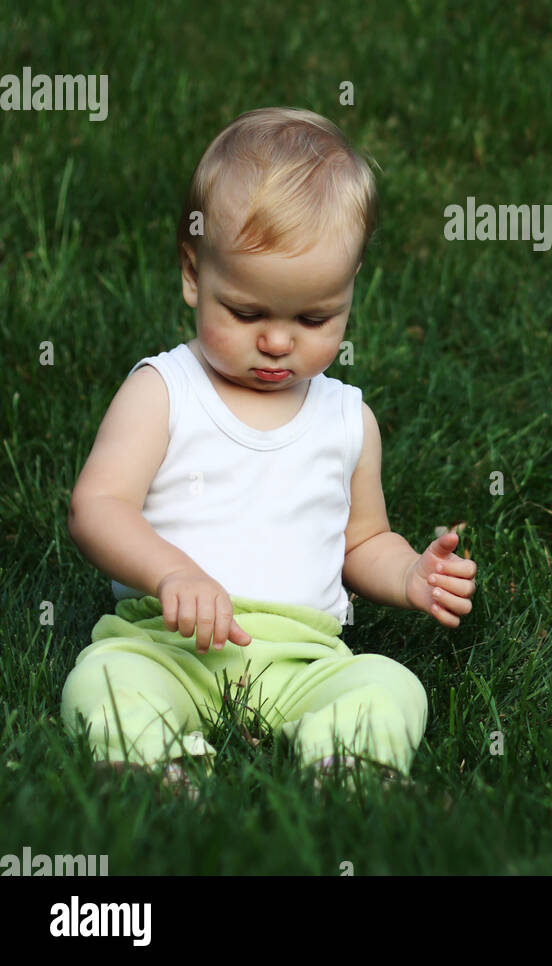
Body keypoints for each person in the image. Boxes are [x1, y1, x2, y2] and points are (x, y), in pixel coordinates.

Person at [61, 106, 477, 799]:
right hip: (167, 644)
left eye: (314, 319)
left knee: (389, 681)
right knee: (103, 679)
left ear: (349, 292)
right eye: (247, 313)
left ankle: (346, 768)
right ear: (194, 275)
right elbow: (96, 507)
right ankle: (153, 769)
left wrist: (408, 573)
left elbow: (362, 538)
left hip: (302, 657)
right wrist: (172, 574)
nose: (279, 341)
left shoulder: (347, 418)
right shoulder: (165, 390)